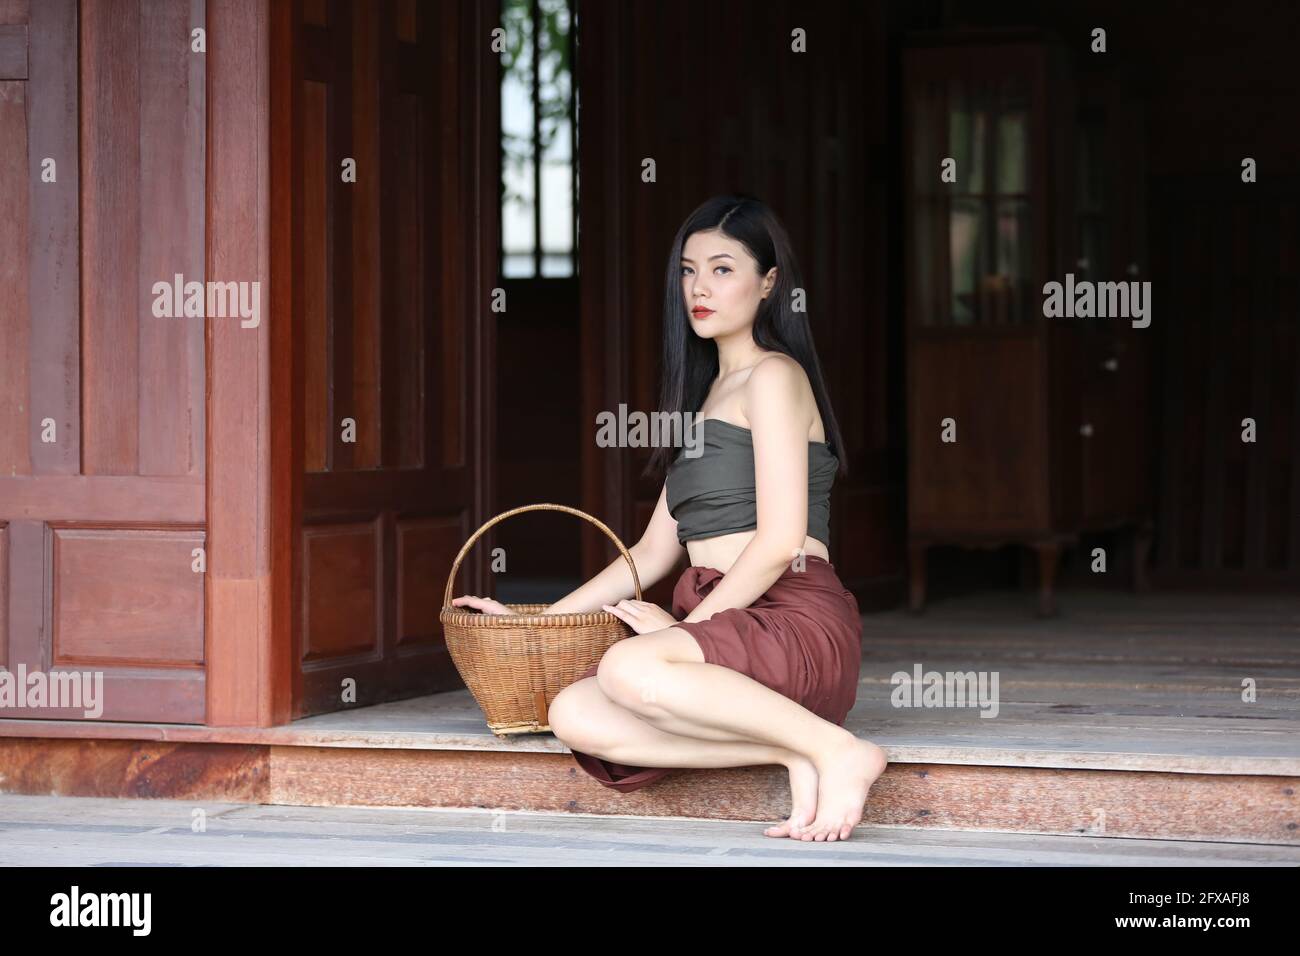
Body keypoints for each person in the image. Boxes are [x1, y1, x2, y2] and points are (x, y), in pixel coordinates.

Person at [452, 195, 887, 842]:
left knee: (629, 668)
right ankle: (803, 746)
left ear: (769, 283)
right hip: (731, 639)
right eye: (688, 271)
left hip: (792, 620)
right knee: (573, 710)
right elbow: (652, 554)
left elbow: (778, 541)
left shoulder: (776, 377)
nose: (699, 288)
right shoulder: (703, 399)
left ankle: (845, 753)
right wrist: (536, 623)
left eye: (721, 269)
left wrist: (690, 627)